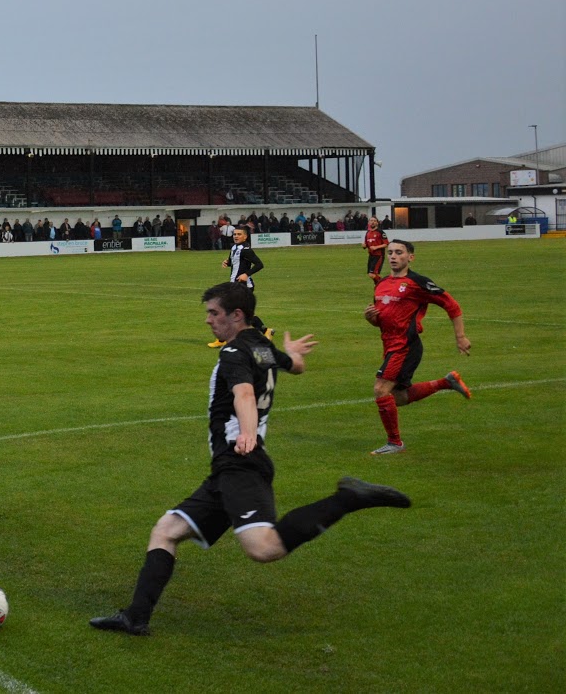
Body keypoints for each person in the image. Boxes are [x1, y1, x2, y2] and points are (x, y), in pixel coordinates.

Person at [89, 282, 412, 636]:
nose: (208, 320)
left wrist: (246, 433)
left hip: (240, 460)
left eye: (214, 313)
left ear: (236, 315)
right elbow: (296, 366)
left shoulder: (234, 354)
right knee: (166, 531)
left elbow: (243, 393)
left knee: (264, 548)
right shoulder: (262, 346)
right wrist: (291, 352)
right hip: (230, 467)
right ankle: (135, 617)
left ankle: (347, 498)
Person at [364, 239, 472, 456]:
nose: (393, 256)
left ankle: (395, 443)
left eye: (399, 253)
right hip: (389, 344)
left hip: (406, 345)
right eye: (391, 252)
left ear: (410, 257)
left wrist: (460, 336)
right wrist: (370, 318)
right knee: (398, 398)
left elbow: (451, 304)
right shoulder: (382, 284)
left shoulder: (418, 283)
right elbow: (381, 320)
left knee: (380, 389)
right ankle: (446, 382)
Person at [209, 225, 264, 349]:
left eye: (239, 234)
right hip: (235, 284)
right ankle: (265, 330)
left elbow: (259, 264)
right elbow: (234, 263)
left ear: (245, 236)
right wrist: (227, 263)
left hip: (243, 285)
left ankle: (221, 339)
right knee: (242, 313)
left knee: (225, 310)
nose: (236, 236)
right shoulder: (234, 247)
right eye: (235, 234)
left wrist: (246, 274)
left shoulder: (246, 249)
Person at [362, 216, 389, 283]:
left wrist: (376, 247)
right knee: (371, 274)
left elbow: (386, 244)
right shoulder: (367, 233)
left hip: (379, 255)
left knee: (372, 274)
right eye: (371, 220)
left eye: (374, 221)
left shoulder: (381, 232)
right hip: (371, 256)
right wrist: (364, 246)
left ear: (377, 223)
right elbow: (366, 244)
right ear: (368, 222)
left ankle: (384, 284)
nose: (373, 222)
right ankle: (380, 288)